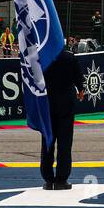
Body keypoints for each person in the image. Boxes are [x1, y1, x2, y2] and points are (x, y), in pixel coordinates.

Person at [39, 46, 86, 191]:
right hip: (66, 103)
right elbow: (79, 81)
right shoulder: (70, 57)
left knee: (47, 141)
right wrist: (80, 91)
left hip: (47, 103)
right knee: (65, 142)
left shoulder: (42, 58)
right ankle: (61, 179)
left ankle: (48, 179)